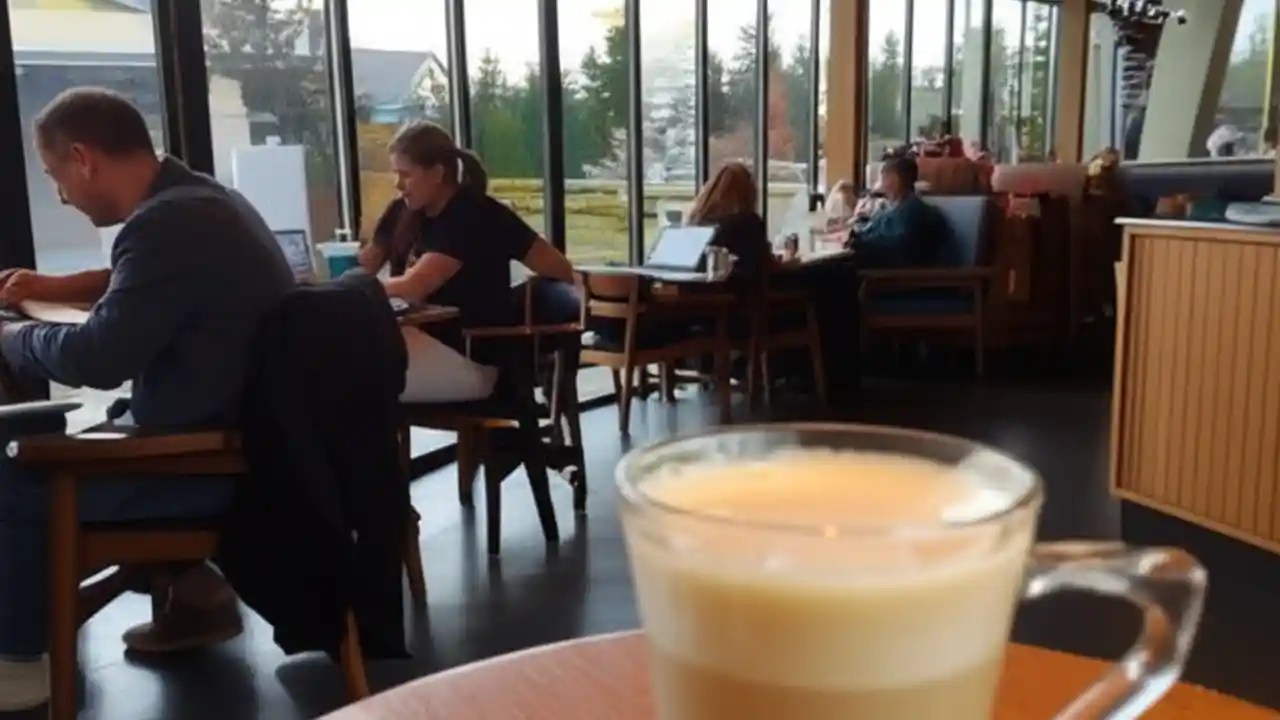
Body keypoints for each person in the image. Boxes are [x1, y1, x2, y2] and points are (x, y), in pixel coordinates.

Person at [0, 88, 294, 710]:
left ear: (83, 158)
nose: (58, 195)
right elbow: (133, 284)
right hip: (250, 444)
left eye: (55, 175)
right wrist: (51, 288)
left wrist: (15, 339)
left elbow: (95, 360)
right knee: (88, 425)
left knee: (13, 472)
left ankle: (19, 660)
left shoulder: (165, 223)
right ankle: (197, 599)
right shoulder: (207, 202)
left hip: (206, 468)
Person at [359, 122, 575, 402]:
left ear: (437, 173)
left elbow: (415, 286)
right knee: (345, 362)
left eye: (405, 175)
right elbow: (364, 267)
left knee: (355, 374)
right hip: (418, 340)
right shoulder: (402, 212)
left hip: (467, 354)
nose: (397, 185)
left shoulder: (474, 216)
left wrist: (356, 289)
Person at [846, 155, 946, 269]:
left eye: (883, 179)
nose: (880, 185)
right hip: (877, 268)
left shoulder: (913, 211)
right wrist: (854, 234)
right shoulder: (890, 208)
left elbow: (896, 246)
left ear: (895, 180)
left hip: (894, 278)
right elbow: (870, 230)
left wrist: (859, 243)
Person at [686, 162, 772, 284]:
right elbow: (760, 264)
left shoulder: (697, 220)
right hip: (735, 295)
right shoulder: (748, 223)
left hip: (697, 291)